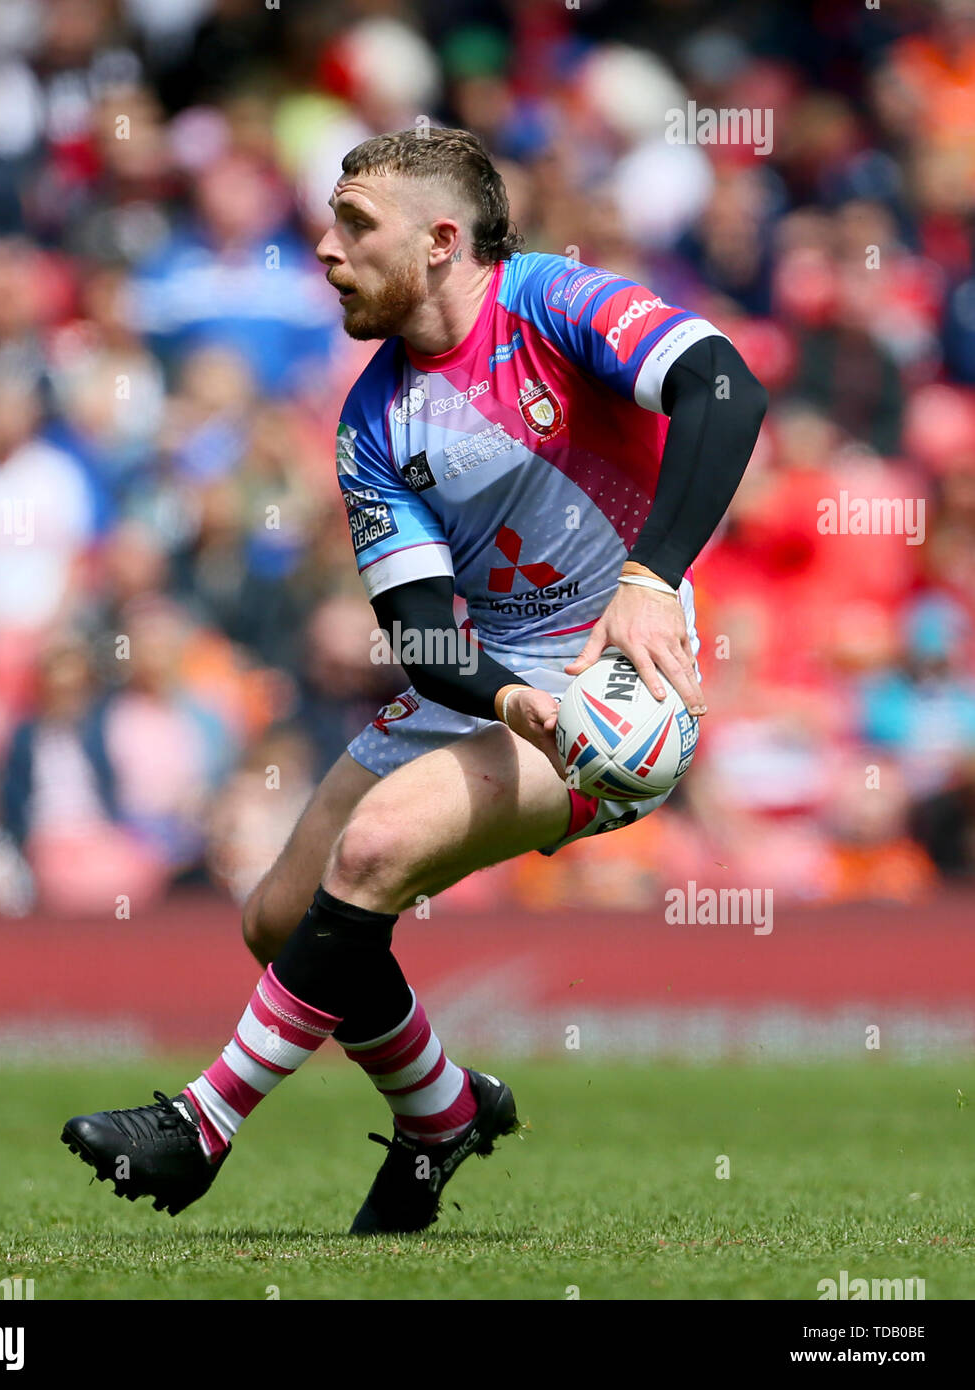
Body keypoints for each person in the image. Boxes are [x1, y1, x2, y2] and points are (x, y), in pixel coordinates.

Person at [62, 128, 767, 1234]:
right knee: (281, 918)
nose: (325, 247)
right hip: (494, 683)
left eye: (354, 225)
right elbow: (417, 626)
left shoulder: (551, 301)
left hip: (617, 684)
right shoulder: (369, 419)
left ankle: (201, 1123)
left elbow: (726, 388)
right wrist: (505, 702)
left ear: (442, 242)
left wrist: (648, 577)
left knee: (377, 847)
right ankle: (441, 1113)